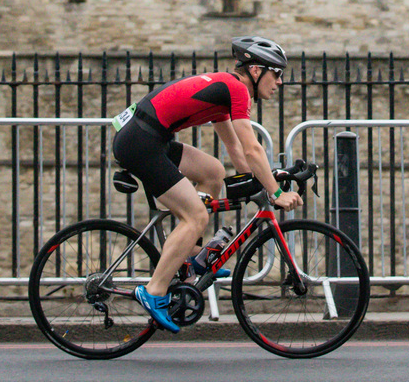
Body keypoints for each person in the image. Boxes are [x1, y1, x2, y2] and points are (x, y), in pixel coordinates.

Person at [110, 34, 300, 332]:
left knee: (213, 172)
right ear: (255, 70)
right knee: (195, 216)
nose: (279, 82)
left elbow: (237, 151)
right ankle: (154, 291)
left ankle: (186, 266)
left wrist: (261, 180)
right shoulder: (236, 90)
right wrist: (275, 193)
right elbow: (253, 148)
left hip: (148, 138)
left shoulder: (225, 91)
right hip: (141, 141)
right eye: (276, 74)